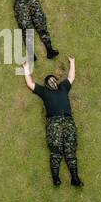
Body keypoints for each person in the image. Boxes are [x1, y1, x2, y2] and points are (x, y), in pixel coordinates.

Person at [24, 56, 82, 187]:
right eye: (49, 81)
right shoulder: (44, 92)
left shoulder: (63, 88)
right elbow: (30, 84)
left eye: (53, 79)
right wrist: (26, 68)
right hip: (53, 122)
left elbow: (71, 77)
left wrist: (73, 62)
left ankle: (75, 178)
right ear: (46, 85)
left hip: (68, 121)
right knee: (55, 150)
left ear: (56, 81)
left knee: (70, 149)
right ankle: (56, 178)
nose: (51, 81)